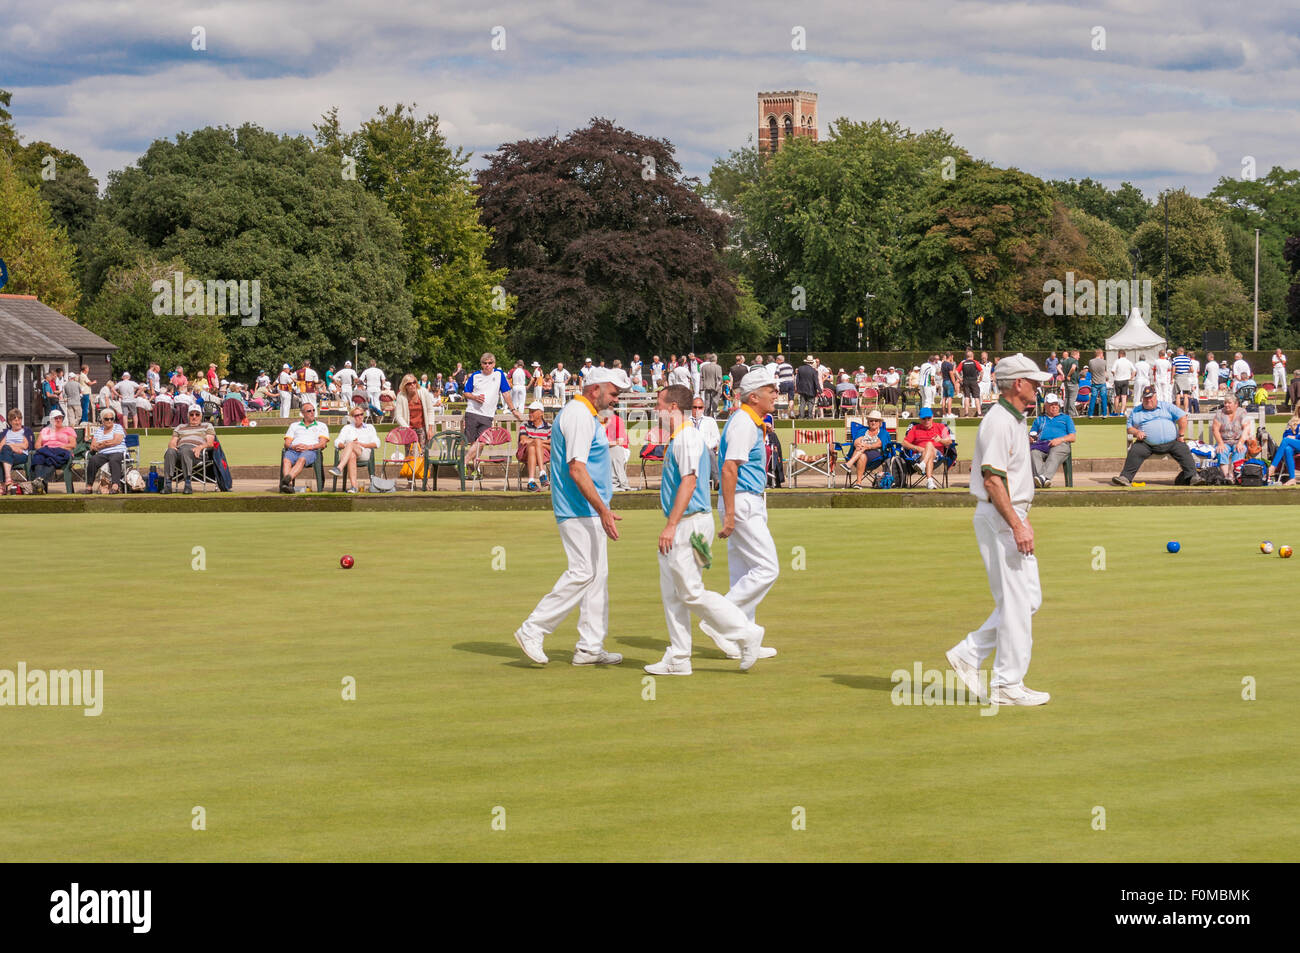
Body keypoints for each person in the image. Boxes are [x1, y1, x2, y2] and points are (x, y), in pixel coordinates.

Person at [945, 353, 1052, 707]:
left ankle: (969, 653)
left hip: (1009, 514)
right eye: (1033, 381)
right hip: (999, 517)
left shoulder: (1015, 419)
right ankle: (1007, 683)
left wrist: (1022, 515)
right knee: (1018, 602)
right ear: (1017, 383)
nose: (1039, 386)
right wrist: (1016, 522)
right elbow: (992, 481)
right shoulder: (999, 421)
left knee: (1027, 599)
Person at [512, 368, 631, 666]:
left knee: (596, 577)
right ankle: (533, 629)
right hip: (579, 510)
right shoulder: (578, 415)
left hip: (588, 510)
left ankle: (590, 647)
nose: (616, 400)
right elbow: (576, 468)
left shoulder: (586, 415)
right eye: (614, 393)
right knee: (583, 573)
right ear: (596, 390)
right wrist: (603, 510)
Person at [644, 384, 765, 676]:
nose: (656, 409)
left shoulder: (686, 438)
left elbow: (688, 481)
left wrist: (671, 525)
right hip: (690, 523)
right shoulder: (683, 437)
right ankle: (679, 656)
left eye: (660, 404)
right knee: (674, 592)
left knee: (691, 592)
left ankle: (745, 633)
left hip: (689, 524)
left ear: (673, 407)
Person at [703, 365, 782, 661]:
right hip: (744, 501)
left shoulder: (750, 420)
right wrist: (730, 514)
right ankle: (719, 620)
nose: (776, 394)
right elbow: (728, 468)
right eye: (770, 390)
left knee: (744, 574)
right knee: (767, 568)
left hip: (747, 500)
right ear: (753, 396)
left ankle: (742, 637)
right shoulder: (744, 423)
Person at [1112, 385, 1201, 486]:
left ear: (1155, 396)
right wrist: (1137, 432)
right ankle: (1125, 478)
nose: (1148, 400)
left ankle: (1193, 477)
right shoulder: (1137, 411)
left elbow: (1182, 417)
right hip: (1147, 444)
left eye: (1150, 397)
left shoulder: (1166, 406)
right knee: (1135, 450)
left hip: (1172, 442)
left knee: (1183, 449)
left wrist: (1181, 435)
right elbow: (1129, 428)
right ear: (1142, 398)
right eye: (1146, 398)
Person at [463, 353, 524, 471]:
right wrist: (475, 397)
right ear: (481, 364)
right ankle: (476, 468)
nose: (487, 365)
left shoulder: (499, 374)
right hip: (472, 412)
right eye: (484, 363)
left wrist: (513, 410)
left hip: (488, 414)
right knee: (472, 443)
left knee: (481, 442)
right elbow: (466, 393)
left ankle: (463, 463)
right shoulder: (475, 375)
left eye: (490, 363)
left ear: (494, 364)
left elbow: (506, 393)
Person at [1028, 393, 1076, 487]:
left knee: (1055, 451)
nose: (1054, 407)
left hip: (1060, 444)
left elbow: (1072, 437)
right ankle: (1043, 481)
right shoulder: (1039, 419)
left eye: (1056, 404)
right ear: (1045, 405)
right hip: (1042, 445)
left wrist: (1060, 440)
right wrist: (1030, 438)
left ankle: (1043, 478)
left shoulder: (1066, 418)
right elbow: (1032, 434)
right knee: (1033, 452)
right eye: (1051, 404)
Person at [164, 406, 215, 493]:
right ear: (188, 416)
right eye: (191, 414)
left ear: (201, 416)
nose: (194, 417)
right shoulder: (180, 427)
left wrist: (200, 447)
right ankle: (167, 485)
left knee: (186, 450)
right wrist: (172, 446)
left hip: (197, 453)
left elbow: (210, 443)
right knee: (170, 451)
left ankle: (188, 484)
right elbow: (172, 442)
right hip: (180, 451)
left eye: (197, 414)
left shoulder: (207, 426)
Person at [902, 407, 954, 489]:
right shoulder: (915, 428)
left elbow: (949, 441)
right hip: (919, 456)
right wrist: (917, 448)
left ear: (932, 417)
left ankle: (922, 465)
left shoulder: (941, 427)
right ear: (919, 418)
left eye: (929, 418)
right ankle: (930, 481)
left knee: (929, 444)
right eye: (923, 418)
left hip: (937, 456)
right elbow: (904, 443)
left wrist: (940, 440)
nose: (926, 420)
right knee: (929, 453)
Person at [280, 402, 329, 492]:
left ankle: (286, 481)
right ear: (303, 413)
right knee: (286, 460)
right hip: (294, 450)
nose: (312, 412)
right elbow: (286, 443)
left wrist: (309, 447)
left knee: (302, 459)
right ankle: (288, 486)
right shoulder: (294, 425)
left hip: (311, 451)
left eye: (313, 410)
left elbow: (322, 444)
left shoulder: (321, 425)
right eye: (309, 411)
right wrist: (293, 447)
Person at [329, 406, 380, 492]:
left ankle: (339, 468)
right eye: (356, 415)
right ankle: (354, 487)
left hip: (364, 452)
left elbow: (377, 443)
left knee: (351, 444)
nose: (360, 417)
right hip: (348, 453)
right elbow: (337, 442)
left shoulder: (369, 427)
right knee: (351, 453)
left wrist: (361, 444)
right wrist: (347, 446)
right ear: (352, 417)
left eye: (361, 414)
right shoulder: (347, 428)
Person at [844, 409, 890, 487]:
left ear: (880, 423)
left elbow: (879, 444)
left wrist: (867, 446)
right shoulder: (862, 431)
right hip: (860, 453)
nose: (873, 422)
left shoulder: (883, 432)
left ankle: (849, 464)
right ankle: (858, 484)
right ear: (868, 422)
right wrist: (862, 446)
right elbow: (856, 442)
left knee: (861, 450)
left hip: (876, 455)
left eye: (876, 421)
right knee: (861, 454)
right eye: (871, 420)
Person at [86, 408, 128, 493]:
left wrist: (102, 444)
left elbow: (116, 441)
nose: (109, 421)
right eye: (106, 419)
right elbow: (92, 446)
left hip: (118, 451)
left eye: (111, 419)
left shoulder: (118, 427)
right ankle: (89, 487)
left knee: (114, 459)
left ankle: (115, 486)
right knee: (93, 460)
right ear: (102, 420)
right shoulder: (99, 430)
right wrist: (106, 443)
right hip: (103, 453)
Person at [1212, 392, 1252, 480]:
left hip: (1238, 440)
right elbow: (1215, 430)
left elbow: (1247, 428)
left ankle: (1232, 474)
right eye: (1225, 403)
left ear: (1236, 404)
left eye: (1229, 403)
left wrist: (1241, 442)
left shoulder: (1242, 412)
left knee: (1239, 450)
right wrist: (1220, 443)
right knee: (1221, 450)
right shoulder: (1219, 413)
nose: (1226, 405)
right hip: (1224, 441)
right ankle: (1227, 476)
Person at [31, 409, 77, 485]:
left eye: (60, 418)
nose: (58, 420)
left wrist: (61, 447)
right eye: (56, 418)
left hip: (60, 451)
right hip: (46, 451)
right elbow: (37, 445)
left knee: (52, 459)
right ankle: (39, 484)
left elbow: (73, 444)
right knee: (38, 458)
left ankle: (38, 483)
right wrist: (46, 450)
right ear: (51, 420)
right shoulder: (45, 430)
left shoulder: (68, 430)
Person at [393, 374, 436, 450]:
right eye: (409, 384)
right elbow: (398, 416)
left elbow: (430, 411)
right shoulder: (401, 396)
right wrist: (407, 428)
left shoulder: (423, 392)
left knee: (423, 455)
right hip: (409, 429)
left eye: (414, 382)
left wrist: (430, 430)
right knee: (410, 455)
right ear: (405, 386)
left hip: (422, 428)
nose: (412, 385)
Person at [517, 401, 552, 491]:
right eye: (529, 411)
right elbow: (523, 440)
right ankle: (542, 473)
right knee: (534, 444)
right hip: (524, 454)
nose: (530, 414)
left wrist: (537, 443)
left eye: (533, 411)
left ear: (541, 413)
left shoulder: (549, 427)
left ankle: (531, 481)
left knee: (533, 448)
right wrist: (542, 442)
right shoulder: (524, 424)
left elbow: (552, 446)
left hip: (543, 455)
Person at [689, 396, 721, 488]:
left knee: (709, 452)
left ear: (703, 408)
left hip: (706, 449)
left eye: (700, 407)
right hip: (691, 450)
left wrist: (707, 446)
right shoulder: (686, 421)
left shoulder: (710, 421)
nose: (697, 410)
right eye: (695, 407)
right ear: (691, 408)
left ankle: (716, 480)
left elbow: (717, 438)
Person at [1, 408, 33, 487]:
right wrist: (14, 448)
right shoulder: (6, 432)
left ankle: (6, 480)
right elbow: (1, 446)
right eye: (15, 420)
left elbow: (25, 445)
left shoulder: (26, 431)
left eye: (19, 420)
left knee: (3, 456)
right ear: (10, 422)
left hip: (21, 456)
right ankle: (5, 485)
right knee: (3, 455)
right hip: (9, 454)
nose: (18, 422)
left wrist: (11, 446)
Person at [602, 405, 631, 492]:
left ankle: (616, 483)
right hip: (604, 449)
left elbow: (620, 442)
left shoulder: (617, 420)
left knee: (614, 449)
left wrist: (604, 444)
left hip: (620, 449)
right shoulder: (598, 421)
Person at [1268, 414, 1300, 485]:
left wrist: (1295, 437)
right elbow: (1285, 435)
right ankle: (1292, 479)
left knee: (1286, 440)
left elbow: (1288, 439)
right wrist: (1291, 436)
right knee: (1287, 449)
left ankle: (1273, 467)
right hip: (1296, 446)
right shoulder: (1293, 421)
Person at [958, 349, 982, 417]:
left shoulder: (963, 362)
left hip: (965, 381)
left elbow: (956, 371)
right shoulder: (975, 362)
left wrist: (960, 379)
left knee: (967, 397)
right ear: (972, 356)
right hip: (974, 381)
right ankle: (979, 413)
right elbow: (981, 371)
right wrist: (980, 378)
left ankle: (966, 413)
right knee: (976, 397)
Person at [1087, 349, 1109, 417]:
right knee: (1104, 398)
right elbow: (1104, 371)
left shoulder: (1090, 361)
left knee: (1093, 398)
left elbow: (1090, 371)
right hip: (1102, 382)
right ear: (1101, 354)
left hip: (1094, 382)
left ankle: (1090, 414)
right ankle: (1104, 414)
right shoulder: (1104, 362)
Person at [1171, 346, 1195, 411]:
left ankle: (1178, 410)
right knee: (1186, 395)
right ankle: (1185, 410)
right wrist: (1187, 371)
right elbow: (1192, 370)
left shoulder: (1175, 359)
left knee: (1178, 395)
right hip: (1185, 377)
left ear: (1179, 351)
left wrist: (1171, 378)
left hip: (1178, 377)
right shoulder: (1188, 359)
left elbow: (1173, 370)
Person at [1112, 349, 1135, 414]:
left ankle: (1115, 412)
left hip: (1118, 380)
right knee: (1124, 397)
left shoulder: (1117, 361)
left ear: (1120, 354)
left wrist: (1115, 375)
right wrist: (1131, 377)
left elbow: (1113, 370)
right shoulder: (1128, 362)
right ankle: (1122, 412)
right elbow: (1134, 371)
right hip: (1125, 380)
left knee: (1117, 397)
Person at [1061, 349, 1079, 416]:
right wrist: (1068, 375)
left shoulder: (1065, 361)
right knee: (1072, 399)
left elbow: (1058, 367)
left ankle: (1065, 413)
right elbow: (1073, 368)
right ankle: (1072, 414)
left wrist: (1063, 374)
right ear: (1075, 355)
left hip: (1066, 382)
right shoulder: (1075, 361)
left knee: (1067, 398)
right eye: (1078, 355)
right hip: (1073, 382)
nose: (1079, 357)